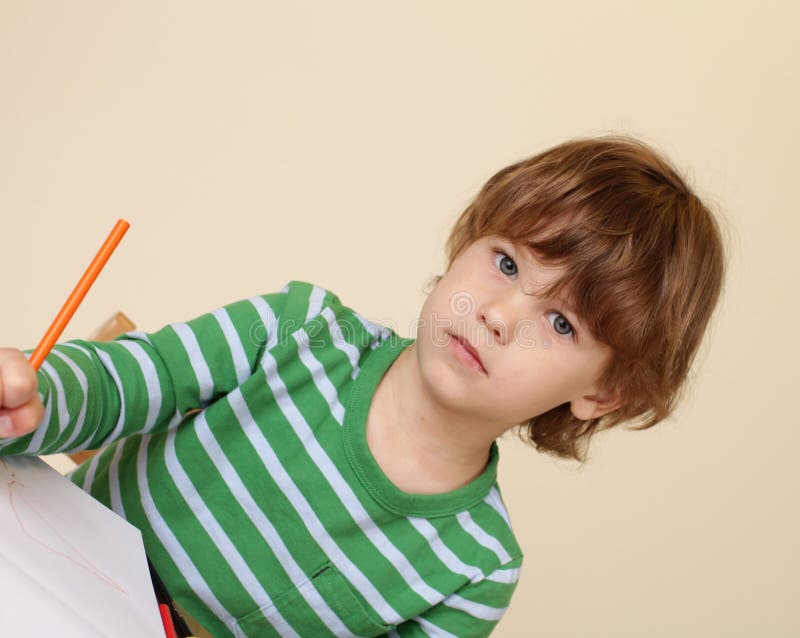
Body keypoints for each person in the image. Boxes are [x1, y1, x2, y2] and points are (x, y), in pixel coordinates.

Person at [0, 134, 727, 637]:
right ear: (466, 240)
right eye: (506, 263)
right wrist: (34, 397)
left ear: (602, 394)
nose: (500, 316)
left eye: (561, 322)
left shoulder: (476, 567)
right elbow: (124, 380)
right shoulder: (296, 331)